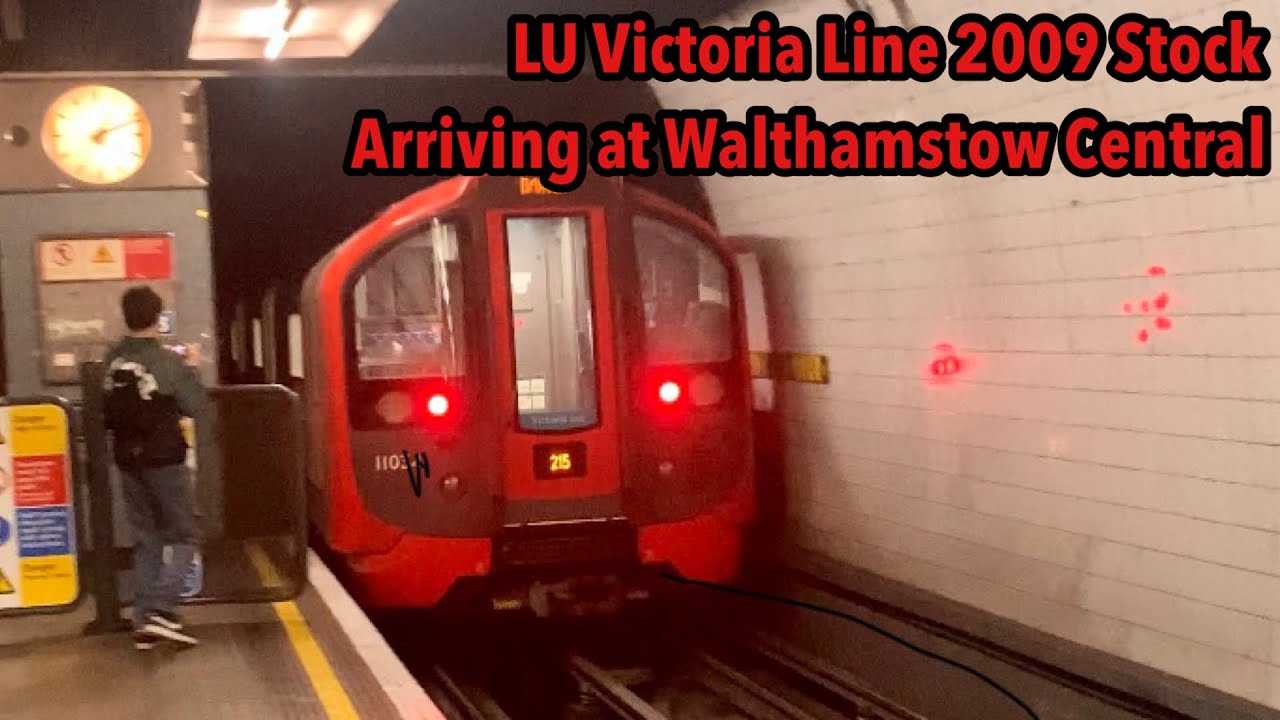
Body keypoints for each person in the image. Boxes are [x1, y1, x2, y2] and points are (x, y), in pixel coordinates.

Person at [102, 286, 206, 650]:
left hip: (128, 460)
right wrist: (191, 367)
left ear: (125, 316)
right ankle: (162, 609)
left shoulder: (112, 359)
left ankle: (144, 621)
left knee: (146, 540)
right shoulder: (165, 361)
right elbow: (195, 405)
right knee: (185, 535)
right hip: (164, 460)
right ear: (157, 318)